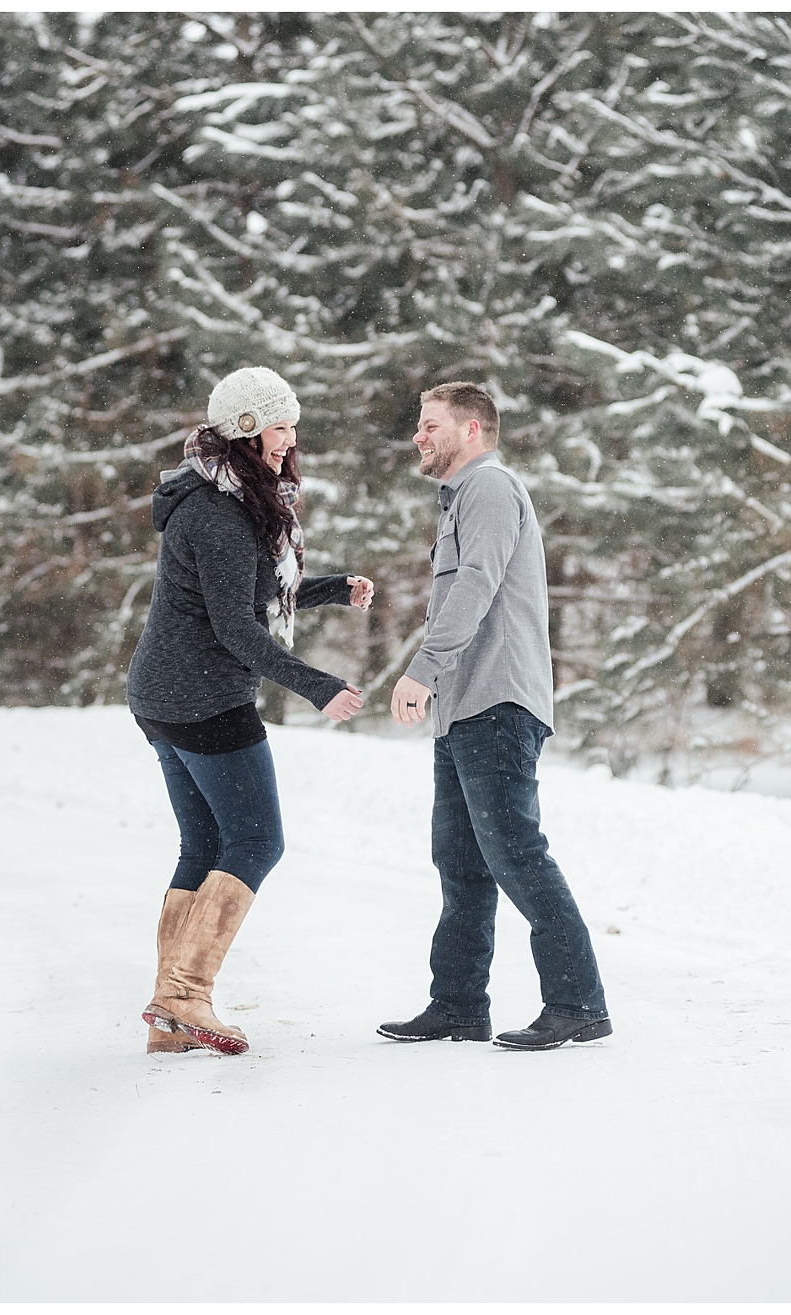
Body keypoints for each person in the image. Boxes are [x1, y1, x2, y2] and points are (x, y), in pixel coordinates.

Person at [127, 366, 373, 1057]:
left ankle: (171, 1015)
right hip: (202, 695)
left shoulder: (218, 495)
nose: (290, 441)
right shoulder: (219, 513)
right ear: (243, 429)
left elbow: (251, 593)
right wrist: (318, 685)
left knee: (204, 846)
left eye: (294, 425)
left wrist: (330, 589)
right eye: (279, 426)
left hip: (166, 693)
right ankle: (185, 991)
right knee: (258, 840)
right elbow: (237, 627)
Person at [378, 381, 611, 1051]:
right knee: (460, 860)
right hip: (464, 709)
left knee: (514, 851)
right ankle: (456, 1005)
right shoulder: (460, 498)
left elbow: (476, 584)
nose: (418, 435)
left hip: (498, 703)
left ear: (472, 429)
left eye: (430, 424)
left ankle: (577, 1003)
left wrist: (422, 669)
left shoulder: (489, 489)